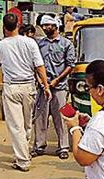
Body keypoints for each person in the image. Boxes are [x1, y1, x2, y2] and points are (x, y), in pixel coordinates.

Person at [0, 13, 51, 172]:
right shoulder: (30, 42)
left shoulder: (0, 46)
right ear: (18, 25)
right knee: (26, 123)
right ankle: (25, 153)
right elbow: (39, 66)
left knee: (16, 126)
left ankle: (23, 160)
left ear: (4, 28)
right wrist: (46, 86)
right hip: (29, 87)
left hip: (11, 87)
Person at [32, 14, 76, 159]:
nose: (45, 28)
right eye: (43, 26)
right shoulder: (40, 44)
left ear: (55, 26)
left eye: (47, 25)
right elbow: (36, 65)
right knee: (40, 117)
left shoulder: (66, 44)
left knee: (61, 118)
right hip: (43, 87)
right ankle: (39, 146)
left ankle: (63, 147)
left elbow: (70, 65)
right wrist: (41, 82)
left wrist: (57, 80)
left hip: (59, 87)